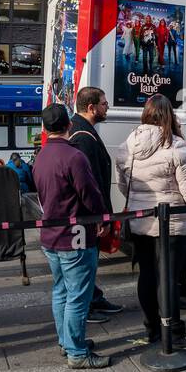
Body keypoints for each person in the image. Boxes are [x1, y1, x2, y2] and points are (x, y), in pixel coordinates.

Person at [117, 95, 186, 347]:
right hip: (173, 223)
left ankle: (152, 328)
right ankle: (174, 332)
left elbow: (124, 186)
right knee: (169, 278)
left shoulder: (128, 145)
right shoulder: (176, 145)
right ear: (169, 115)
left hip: (140, 221)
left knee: (147, 274)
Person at [33, 103, 112, 368]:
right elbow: (90, 194)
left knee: (60, 292)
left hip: (50, 236)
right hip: (75, 236)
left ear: (45, 128)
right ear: (68, 125)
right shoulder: (74, 157)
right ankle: (77, 353)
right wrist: (102, 218)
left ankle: (66, 341)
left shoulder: (41, 156)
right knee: (78, 296)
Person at [67, 86, 124, 319]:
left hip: (86, 215)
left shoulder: (82, 129)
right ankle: (87, 306)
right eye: (103, 103)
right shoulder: (83, 137)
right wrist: (102, 216)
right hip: (87, 216)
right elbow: (91, 183)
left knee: (88, 262)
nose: (107, 106)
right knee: (85, 263)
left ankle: (94, 298)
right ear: (91, 108)